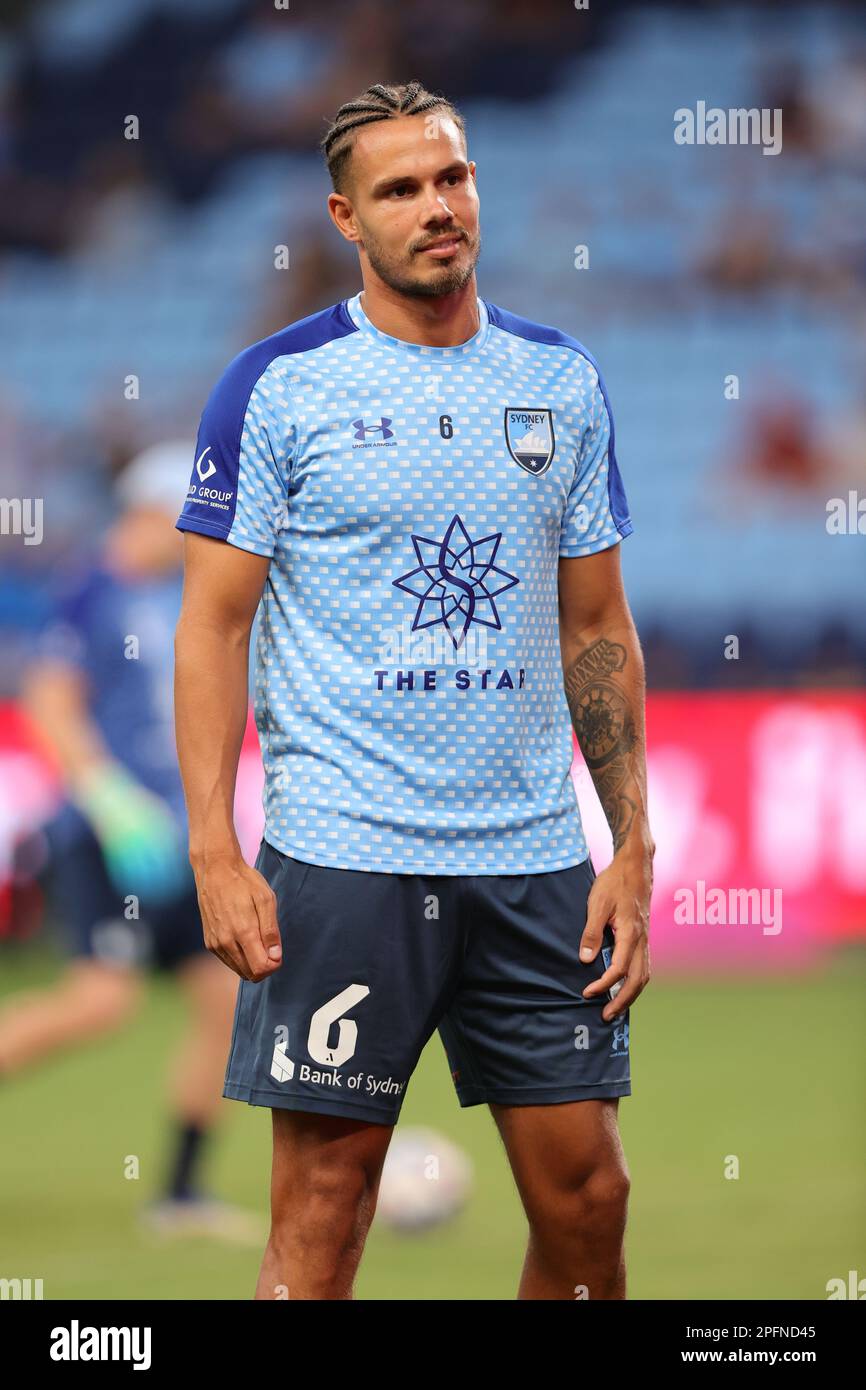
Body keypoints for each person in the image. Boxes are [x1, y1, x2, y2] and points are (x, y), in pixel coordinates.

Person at [174, 80, 654, 1300]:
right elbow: (211, 629)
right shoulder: (275, 387)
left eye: (453, 178)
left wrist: (631, 844)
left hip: (533, 858)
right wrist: (216, 856)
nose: (435, 208)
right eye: (400, 189)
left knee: (589, 1200)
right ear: (346, 215)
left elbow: (595, 622)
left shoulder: (561, 380)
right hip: (345, 861)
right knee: (325, 1216)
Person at [1, 443, 262, 1244]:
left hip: (184, 840)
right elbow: (49, 701)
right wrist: (111, 800)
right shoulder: (92, 589)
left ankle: (179, 1196)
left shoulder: (175, 594)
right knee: (98, 1004)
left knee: (228, 1002)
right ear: (151, 507)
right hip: (111, 840)